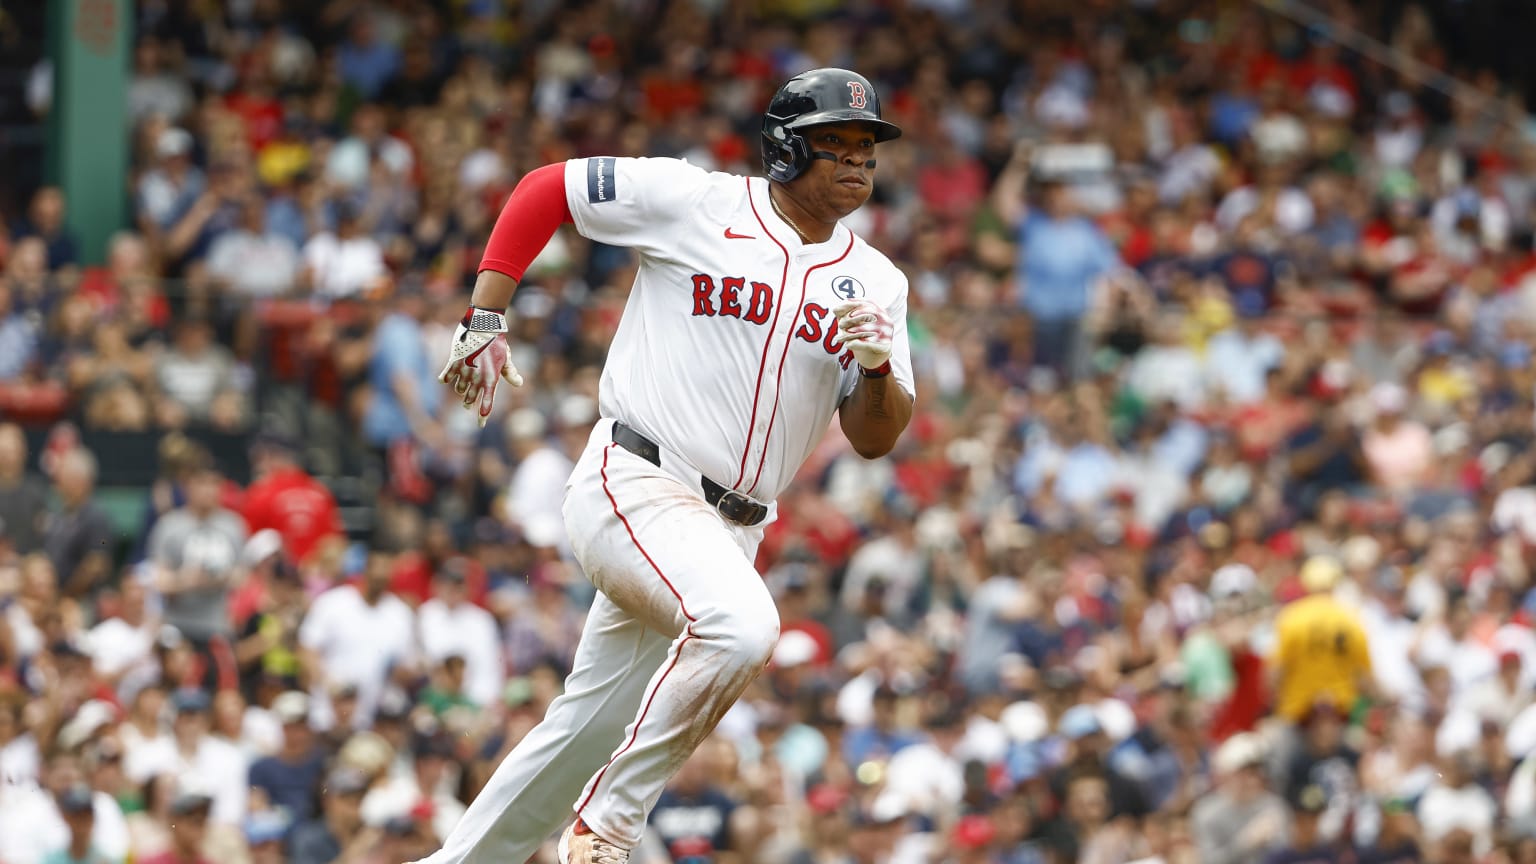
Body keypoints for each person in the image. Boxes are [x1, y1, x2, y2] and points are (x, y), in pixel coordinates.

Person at [424, 67, 914, 864]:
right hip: (641, 478)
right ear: (788, 149)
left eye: (869, 147)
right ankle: (609, 829)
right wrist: (486, 311)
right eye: (838, 144)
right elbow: (548, 187)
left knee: (585, 729)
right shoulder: (699, 202)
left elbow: (874, 437)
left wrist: (878, 366)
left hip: (730, 530)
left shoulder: (879, 284)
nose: (859, 161)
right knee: (744, 626)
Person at [1271, 556, 1374, 725]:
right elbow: (1365, 677)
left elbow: (1275, 674)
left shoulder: (1291, 617)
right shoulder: (1352, 617)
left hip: (1298, 712)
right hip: (1342, 711)